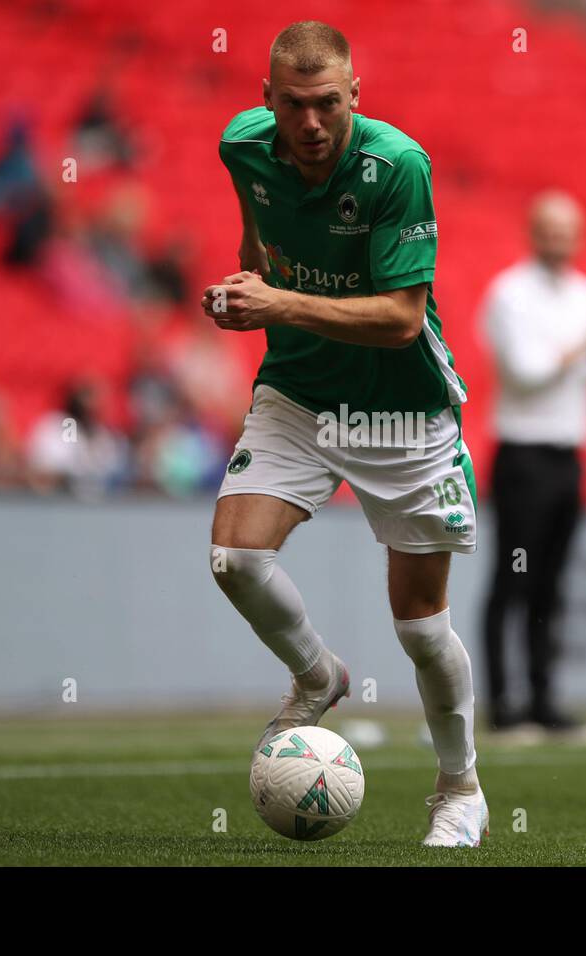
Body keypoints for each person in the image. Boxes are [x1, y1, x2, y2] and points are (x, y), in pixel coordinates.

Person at [202, 21, 487, 846]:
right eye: (294, 105)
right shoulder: (243, 150)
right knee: (236, 557)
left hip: (403, 412)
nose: (312, 123)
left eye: (329, 103)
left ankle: (460, 788)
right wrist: (240, 292)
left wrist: (280, 305)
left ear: (355, 97)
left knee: (421, 626)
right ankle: (317, 673)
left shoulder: (398, 168)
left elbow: (402, 321)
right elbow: (258, 250)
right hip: (297, 390)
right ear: (268, 102)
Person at [479, 191, 586, 731]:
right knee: (511, 580)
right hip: (523, 451)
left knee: (551, 583)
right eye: (551, 230)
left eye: (569, 231)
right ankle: (502, 704)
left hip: (568, 453)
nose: (560, 241)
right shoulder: (510, 294)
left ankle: (542, 699)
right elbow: (526, 372)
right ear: (533, 232)